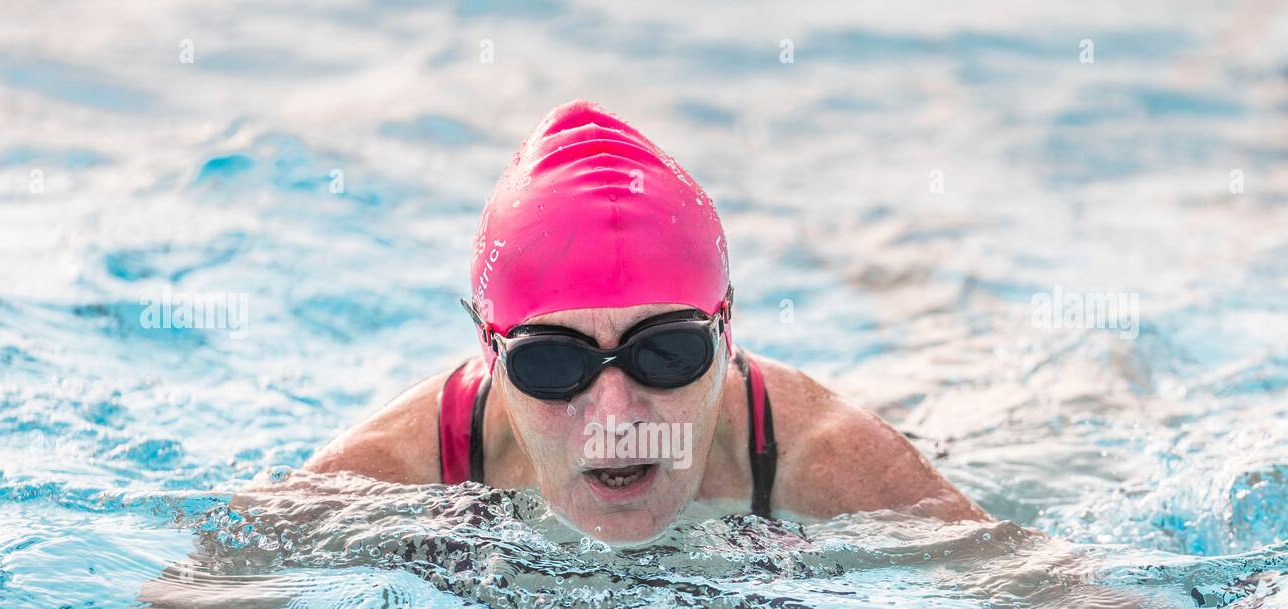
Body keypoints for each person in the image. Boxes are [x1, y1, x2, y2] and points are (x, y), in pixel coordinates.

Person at [307, 100, 987, 543]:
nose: (615, 417)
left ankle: (904, 280)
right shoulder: (399, 464)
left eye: (665, 353)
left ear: (726, 332)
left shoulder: (824, 456)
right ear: (489, 352)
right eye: (553, 364)